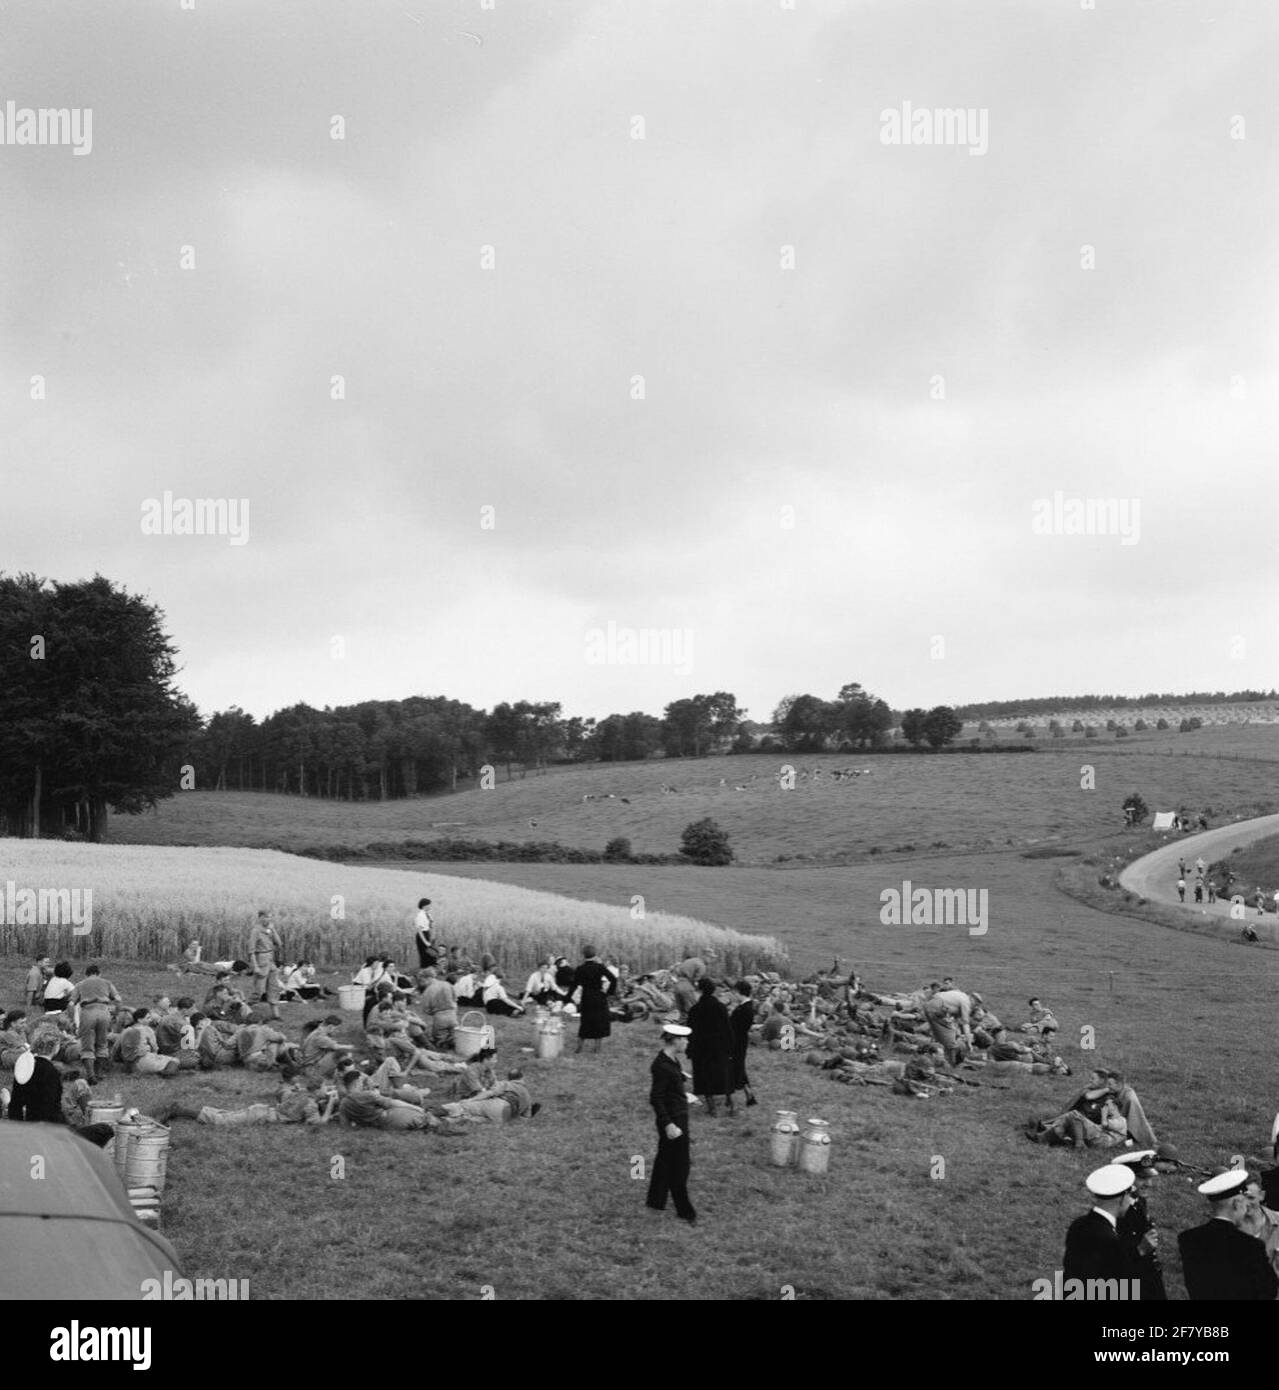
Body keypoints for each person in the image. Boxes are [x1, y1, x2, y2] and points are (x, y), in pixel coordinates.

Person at [1178, 1169, 1279, 1300]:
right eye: (1244, 1201)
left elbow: (1193, 1285)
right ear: (1236, 1204)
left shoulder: (1188, 1239)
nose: (1246, 1206)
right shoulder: (1250, 1245)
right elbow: (1268, 1290)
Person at [646, 1023, 696, 1225]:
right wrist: (668, 1124)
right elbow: (656, 1098)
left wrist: (683, 1090)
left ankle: (655, 1200)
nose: (687, 1042)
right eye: (684, 1039)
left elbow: (669, 1089)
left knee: (665, 1159)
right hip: (673, 1120)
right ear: (675, 1040)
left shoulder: (671, 1060)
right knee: (680, 1165)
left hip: (678, 1114)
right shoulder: (662, 1066)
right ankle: (685, 1210)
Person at [1062, 1164, 1140, 1284]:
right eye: (1131, 1195)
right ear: (1122, 1198)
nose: (1131, 1201)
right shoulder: (1109, 1239)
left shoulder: (1078, 1224)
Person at [1113, 1150, 1167, 1300]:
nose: (1149, 1184)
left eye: (1150, 1178)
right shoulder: (1117, 1212)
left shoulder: (1139, 1201)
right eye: (1142, 1178)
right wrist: (1140, 1250)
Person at [687, 978, 734, 1116]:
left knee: (704, 1076)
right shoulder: (721, 1007)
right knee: (724, 1074)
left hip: (702, 1048)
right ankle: (729, 1102)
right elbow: (728, 1028)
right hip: (720, 1047)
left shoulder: (695, 1009)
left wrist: (690, 1048)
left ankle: (712, 1108)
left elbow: (691, 1031)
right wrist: (730, 1046)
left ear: (700, 990)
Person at [68, 965, 122, 1084]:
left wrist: (72, 1020)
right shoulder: (107, 983)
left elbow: (71, 1004)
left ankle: (90, 1075)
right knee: (102, 1044)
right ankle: (99, 1074)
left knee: (87, 1045)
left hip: (88, 1012)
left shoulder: (80, 984)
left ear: (86, 974)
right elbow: (118, 1000)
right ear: (99, 973)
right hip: (104, 1012)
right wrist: (116, 1014)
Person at [337, 1067, 436, 1131]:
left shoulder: (343, 1104)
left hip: (378, 1126)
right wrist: (415, 1107)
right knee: (427, 1118)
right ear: (357, 1082)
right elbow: (393, 1103)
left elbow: (345, 1126)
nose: (364, 1084)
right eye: (363, 1081)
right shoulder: (368, 1095)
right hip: (392, 1118)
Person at [433, 1069, 539, 1124]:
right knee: (471, 1118)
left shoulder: (507, 1084)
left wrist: (470, 1100)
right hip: (504, 1118)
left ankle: (434, 1111)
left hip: (499, 1105)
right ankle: (446, 1121)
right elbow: (525, 1118)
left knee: (463, 1107)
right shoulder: (528, 1097)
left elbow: (489, 1093)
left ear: (510, 1078)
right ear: (522, 1078)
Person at [6, 1034, 65, 1123]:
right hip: (50, 1127)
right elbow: (51, 1106)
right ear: (55, 1048)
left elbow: (15, 1104)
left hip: (29, 1122)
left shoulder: (25, 1068)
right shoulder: (51, 1071)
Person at [572, 945, 616, 1055]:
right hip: (599, 996)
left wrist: (569, 998)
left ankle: (579, 1047)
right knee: (599, 1021)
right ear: (595, 955)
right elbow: (613, 979)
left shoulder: (580, 969)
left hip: (586, 997)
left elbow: (574, 984)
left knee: (585, 1022)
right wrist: (609, 992)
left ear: (583, 955)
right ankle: (597, 1049)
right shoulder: (600, 967)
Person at [116, 1009, 179, 1076]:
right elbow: (154, 1048)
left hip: (129, 1063)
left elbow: (116, 1048)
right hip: (142, 1061)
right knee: (175, 1060)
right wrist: (155, 1057)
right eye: (148, 1018)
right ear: (139, 1020)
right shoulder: (147, 1030)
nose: (150, 1020)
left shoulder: (126, 1030)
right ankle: (165, 1073)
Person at [1104, 1070, 1157, 1148]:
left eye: (1110, 1084)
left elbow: (1134, 1119)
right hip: (1118, 1125)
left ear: (1119, 1084)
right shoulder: (1116, 1092)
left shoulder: (1129, 1098)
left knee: (1123, 1142)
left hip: (1127, 1129)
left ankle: (1132, 1142)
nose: (1107, 1087)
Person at [248, 909, 284, 1020]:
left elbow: (279, 943)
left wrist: (273, 930)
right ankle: (246, 1009)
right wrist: (256, 966)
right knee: (259, 990)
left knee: (274, 987)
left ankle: (276, 1015)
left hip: (270, 960)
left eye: (270, 917)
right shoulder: (255, 931)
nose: (269, 919)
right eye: (267, 917)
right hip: (261, 960)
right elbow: (251, 951)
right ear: (260, 918)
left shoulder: (269, 929)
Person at [728, 979, 757, 1108]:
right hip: (740, 1040)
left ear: (739, 992)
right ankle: (748, 1093)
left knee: (735, 1067)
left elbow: (733, 1026)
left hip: (736, 1041)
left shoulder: (743, 1009)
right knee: (739, 1067)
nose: (733, 996)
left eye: (735, 993)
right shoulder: (746, 1007)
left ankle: (735, 1096)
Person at [419, 968, 458, 1049]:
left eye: (423, 981)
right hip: (452, 1015)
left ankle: (443, 1042)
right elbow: (455, 999)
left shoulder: (428, 990)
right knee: (454, 1034)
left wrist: (433, 1012)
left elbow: (426, 1009)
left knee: (439, 1038)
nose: (423, 983)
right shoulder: (447, 984)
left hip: (439, 1017)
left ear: (429, 978)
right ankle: (452, 1041)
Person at [413, 898, 437, 970]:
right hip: (422, 936)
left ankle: (430, 972)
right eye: (429, 905)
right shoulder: (420, 915)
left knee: (432, 954)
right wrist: (425, 942)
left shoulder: (428, 914)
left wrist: (432, 935)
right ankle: (424, 972)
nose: (430, 906)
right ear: (424, 905)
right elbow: (419, 930)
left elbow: (431, 925)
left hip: (427, 934)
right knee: (425, 955)